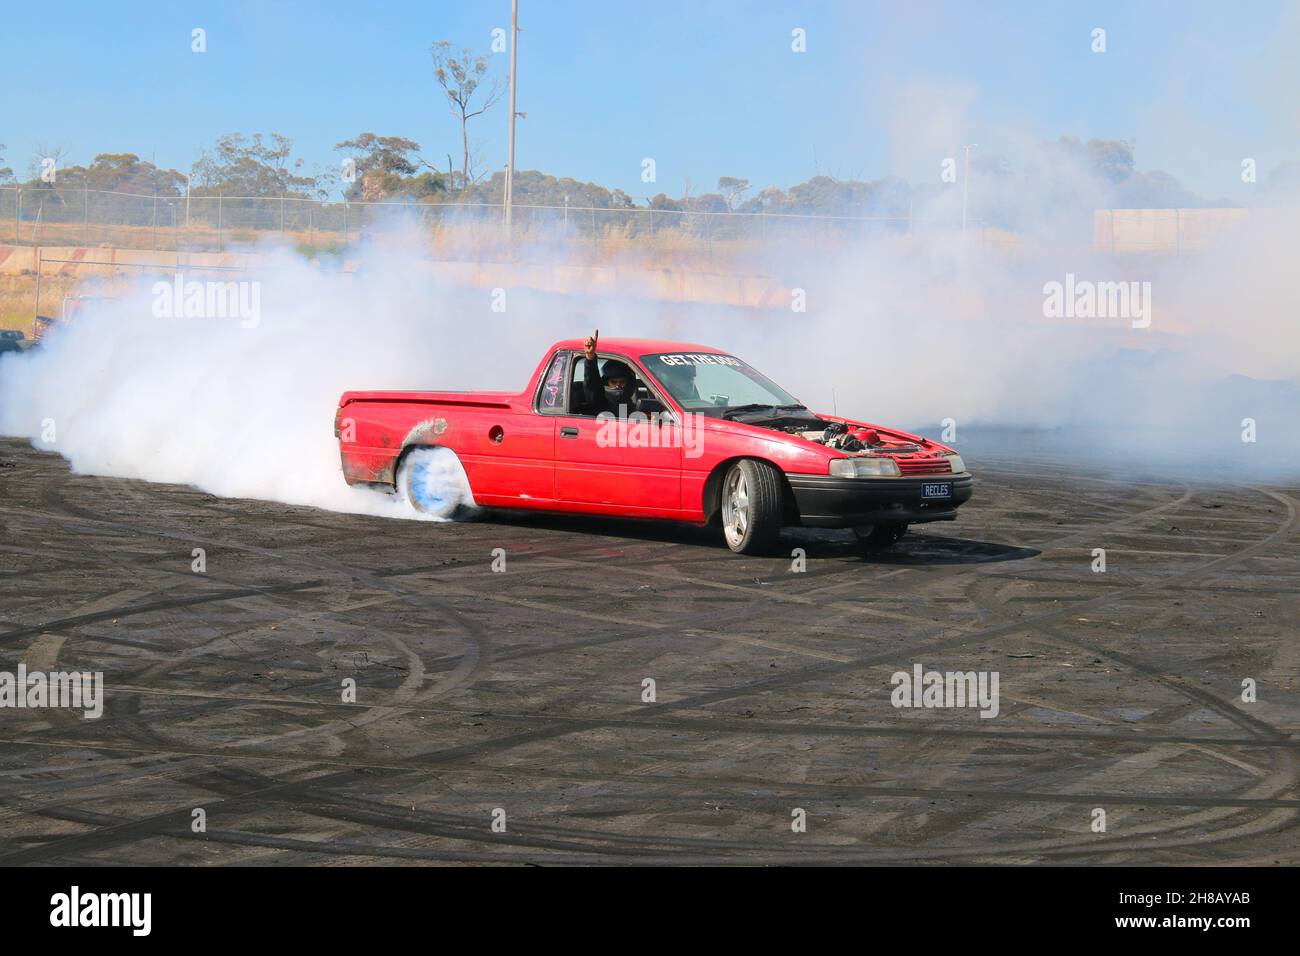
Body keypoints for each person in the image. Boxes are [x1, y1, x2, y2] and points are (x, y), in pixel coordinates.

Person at [580, 330, 638, 416]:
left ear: (628, 383)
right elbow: (591, 384)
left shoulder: (631, 406)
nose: (618, 385)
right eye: (613, 382)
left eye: (622, 382)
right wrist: (590, 357)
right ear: (606, 382)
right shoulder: (600, 402)